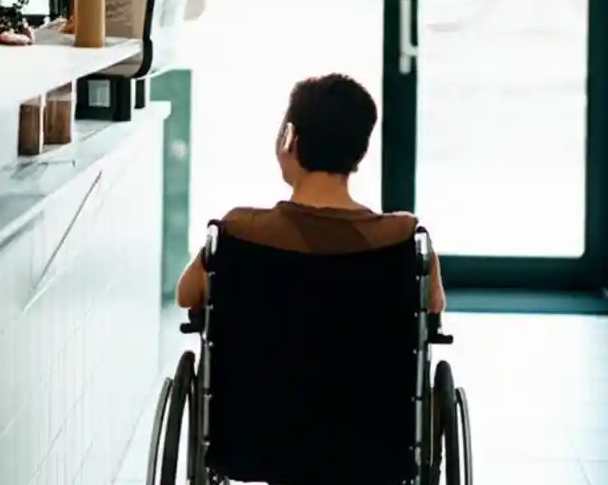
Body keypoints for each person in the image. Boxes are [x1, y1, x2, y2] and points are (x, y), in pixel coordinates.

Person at [176, 73, 446, 314]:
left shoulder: (240, 229)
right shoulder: (402, 236)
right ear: (360, 150)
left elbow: (187, 296)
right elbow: (434, 306)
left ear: (289, 138)